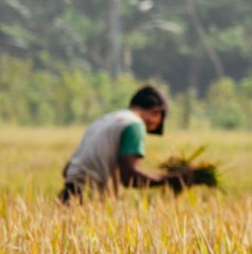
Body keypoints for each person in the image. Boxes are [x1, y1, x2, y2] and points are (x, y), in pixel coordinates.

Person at [59, 84, 194, 201]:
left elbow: (67, 170)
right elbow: (129, 177)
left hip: (68, 194)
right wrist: (173, 179)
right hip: (88, 199)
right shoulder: (134, 125)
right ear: (156, 112)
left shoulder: (104, 120)